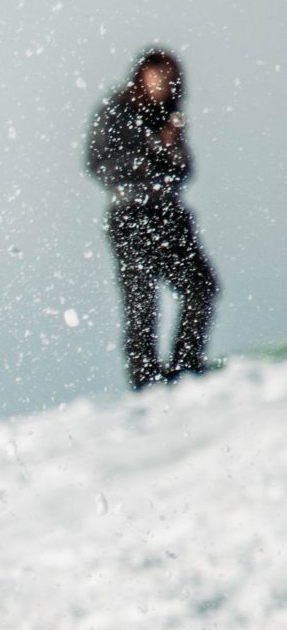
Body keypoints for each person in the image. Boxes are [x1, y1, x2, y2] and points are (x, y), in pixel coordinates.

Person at [86, 49, 219, 390]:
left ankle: (186, 367)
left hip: (169, 213)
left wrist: (171, 146)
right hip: (131, 215)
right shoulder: (118, 112)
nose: (163, 85)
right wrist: (154, 151)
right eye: (157, 77)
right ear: (142, 77)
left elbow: (184, 170)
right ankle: (146, 380)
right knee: (141, 300)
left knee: (201, 286)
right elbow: (100, 163)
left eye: (169, 79)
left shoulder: (168, 115)